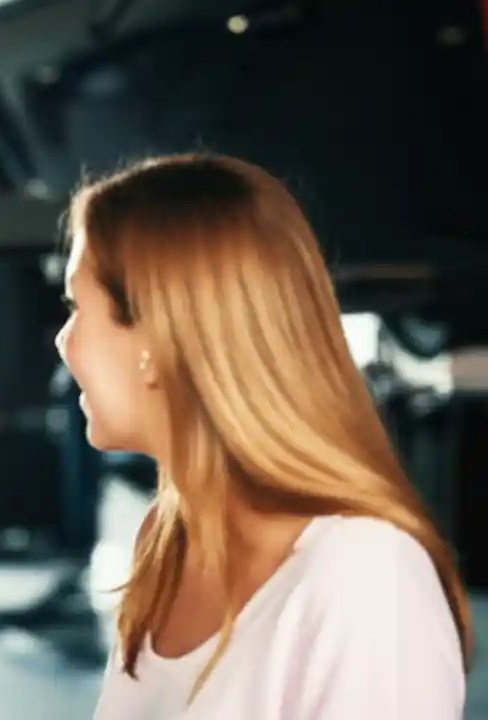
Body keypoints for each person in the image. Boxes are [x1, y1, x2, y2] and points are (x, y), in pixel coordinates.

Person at [53, 154, 472, 718]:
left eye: (78, 307)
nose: (64, 341)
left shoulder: (364, 578)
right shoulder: (168, 541)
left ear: (156, 336)